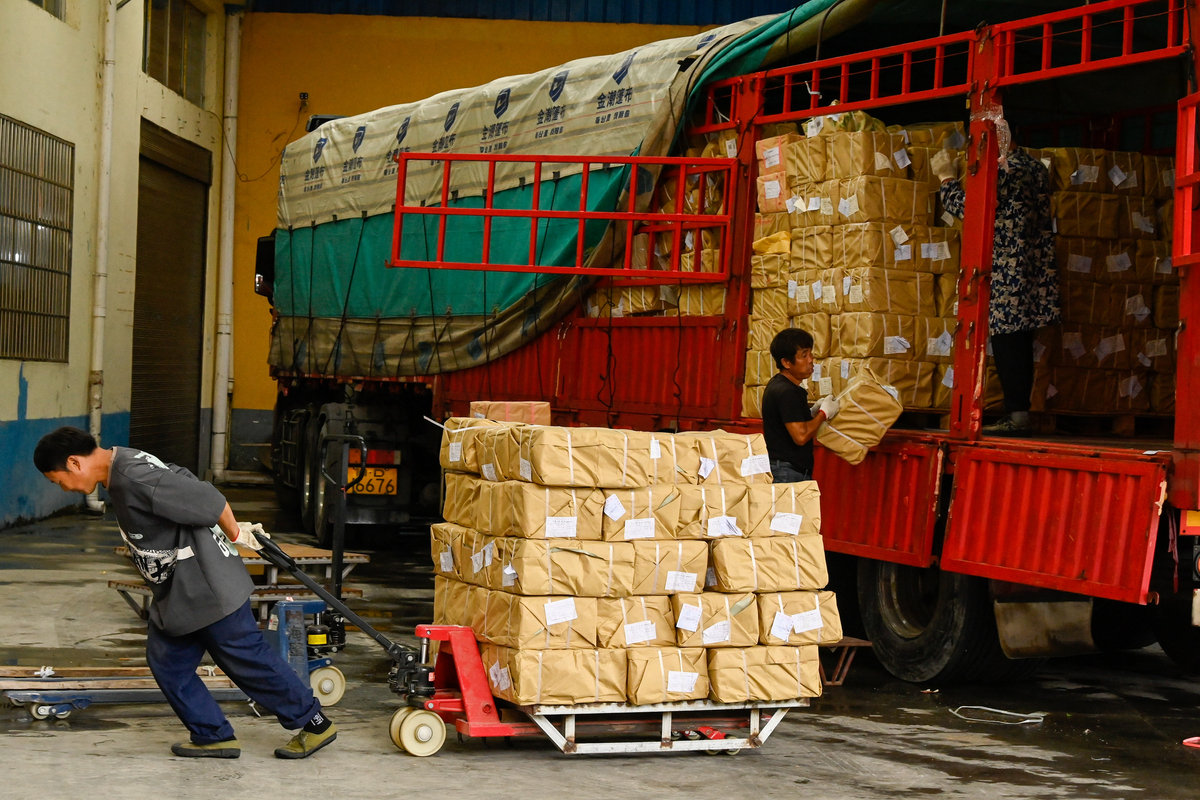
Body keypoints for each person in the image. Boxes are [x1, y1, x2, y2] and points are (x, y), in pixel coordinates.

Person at [33, 427, 337, 760]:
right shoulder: (121, 465)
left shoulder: (133, 476)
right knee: (168, 662)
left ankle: (314, 722)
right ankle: (213, 735)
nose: (64, 488)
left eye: (59, 481)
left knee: (247, 661)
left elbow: (208, 499)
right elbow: (180, 475)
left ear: (74, 463)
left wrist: (235, 532)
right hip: (181, 592)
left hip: (208, 587)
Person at [932, 141, 1058, 437]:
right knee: (1019, 339)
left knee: (1008, 339)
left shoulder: (1003, 172)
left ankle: (1017, 415)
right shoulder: (1034, 167)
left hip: (1007, 266)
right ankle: (1018, 413)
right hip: (1034, 266)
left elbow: (972, 208)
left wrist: (945, 177)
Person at [761, 328, 839, 483]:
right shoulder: (787, 392)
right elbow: (800, 436)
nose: (811, 360)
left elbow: (790, 422)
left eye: (810, 353)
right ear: (786, 362)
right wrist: (824, 414)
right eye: (804, 355)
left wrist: (811, 414)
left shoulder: (780, 384)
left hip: (787, 469)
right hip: (787, 472)